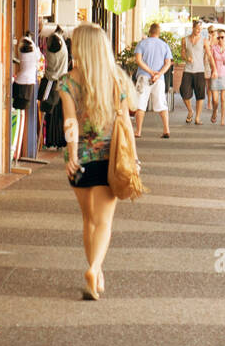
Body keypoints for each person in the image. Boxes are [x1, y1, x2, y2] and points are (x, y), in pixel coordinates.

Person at [59, 22, 131, 301]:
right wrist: (133, 158)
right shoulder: (116, 79)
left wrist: (73, 154)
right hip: (108, 158)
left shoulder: (68, 81)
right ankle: (94, 268)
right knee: (103, 221)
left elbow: (69, 122)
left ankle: (95, 274)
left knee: (88, 219)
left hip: (79, 161)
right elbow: (124, 123)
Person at [133, 23, 172, 138]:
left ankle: (138, 131)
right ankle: (166, 129)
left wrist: (150, 72)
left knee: (140, 104)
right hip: (159, 79)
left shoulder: (142, 43)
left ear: (150, 31)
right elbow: (168, 63)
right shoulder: (164, 45)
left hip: (144, 77)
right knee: (161, 104)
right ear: (159, 33)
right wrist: (158, 74)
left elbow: (139, 60)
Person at [180, 19, 213, 125]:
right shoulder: (184, 39)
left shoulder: (204, 40)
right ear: (193, 27)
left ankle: (197, 118)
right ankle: (190, 111)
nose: (199, 30)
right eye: (197, 28)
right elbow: (182, 53)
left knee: (200, 95)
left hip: (199, 70)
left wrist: (214, 69)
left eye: (201, 28)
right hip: (188, 70)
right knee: (184, 92)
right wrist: (187, 58)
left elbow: (209, 55)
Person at [209, 28, 225, 124]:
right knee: (215, 100)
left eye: (222, 37)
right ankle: (214, 111)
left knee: (224, 99)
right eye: (218, 38)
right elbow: (211, 61)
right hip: (215, 76)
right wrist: (213, 70)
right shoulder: (213, 48)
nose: (220, 40)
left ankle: (223, 119)